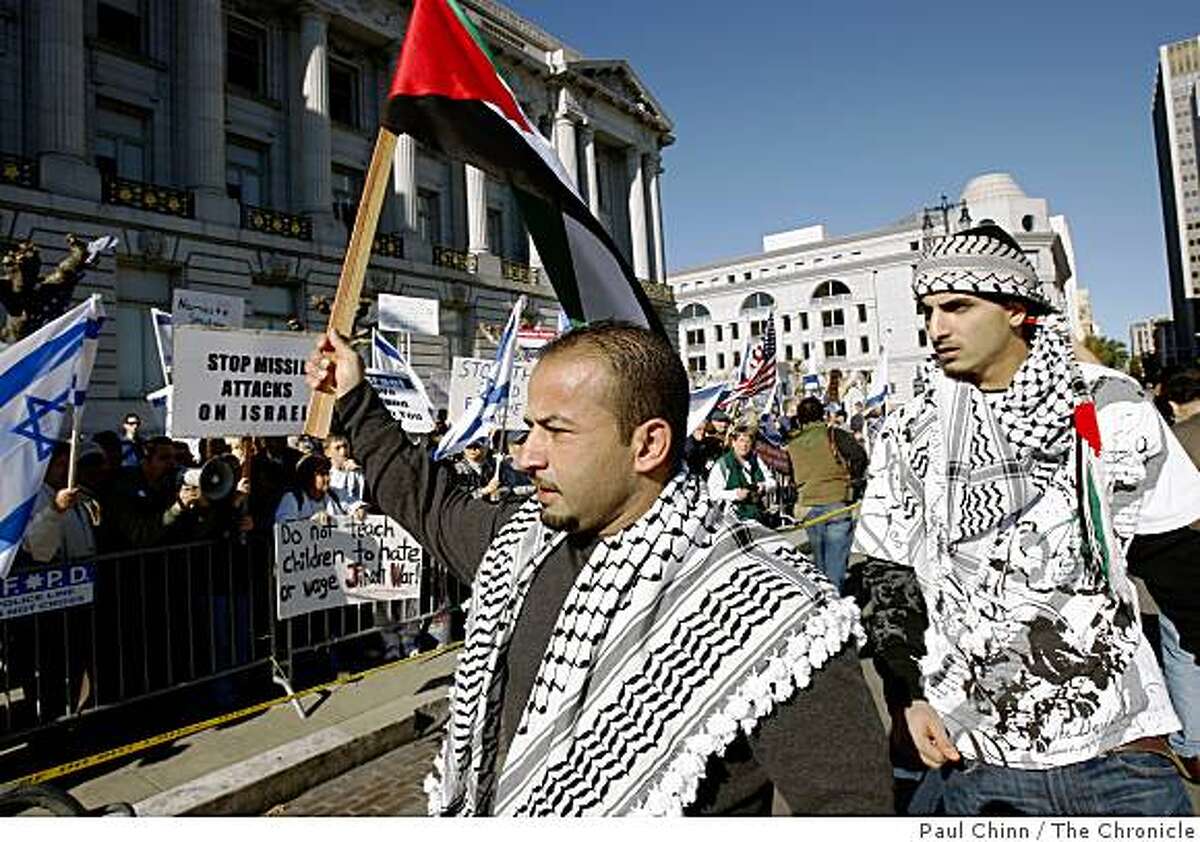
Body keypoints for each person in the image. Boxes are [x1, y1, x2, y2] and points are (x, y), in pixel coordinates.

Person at [307, 321, 892, 816]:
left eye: (556, 431)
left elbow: (850, 808)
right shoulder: (519, 543)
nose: (527, 454)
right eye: (531, 427)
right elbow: (424, 500)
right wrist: (356, 397)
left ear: (648, 445)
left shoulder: (771, 606)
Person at [852, 224, 1200, 815]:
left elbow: (1172, 561)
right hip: (977, 759)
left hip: (1121, 752)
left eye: (958, 307)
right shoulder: (909, 428)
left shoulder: (1108, 403)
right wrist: (907, 694)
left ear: (1016, 308)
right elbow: (889, 573)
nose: (937, 328)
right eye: (928, 310)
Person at [786, 396, 865, 593]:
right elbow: (859, 456)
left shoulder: (793, 443)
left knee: (819, 562)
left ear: (800, 418)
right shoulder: (834, 434)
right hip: (837, 501)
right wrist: (853, 480)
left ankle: (822, 601)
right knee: (836, 562)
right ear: (823, 414)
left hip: (808, 505)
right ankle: (835, 605)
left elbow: (791, 473)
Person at [707, 423, 776, 525]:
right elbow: (713, 493)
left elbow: (773, 483)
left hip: (757, 514)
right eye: (741, 441)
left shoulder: (756, 460)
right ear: (734, 443)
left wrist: (764, 486)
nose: (744, 445)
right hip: (733, 518)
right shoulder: (722, 464)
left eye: (748, 441)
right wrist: (735, 494)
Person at [273, 454, 356, 524]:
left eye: (327, 473)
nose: (327, 478)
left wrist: (358, 510)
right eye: (322, 474)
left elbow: (353, 503)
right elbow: (283, 524)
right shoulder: (293, 498)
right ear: (308, 476)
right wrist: (311, 522)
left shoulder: (335, 494)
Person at [325, 434, 369, 514]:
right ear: (327, 453)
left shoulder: (358, 471)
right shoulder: (326, 476)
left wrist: (361, 471)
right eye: (337, 448)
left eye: (345, 446)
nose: (343, 451)